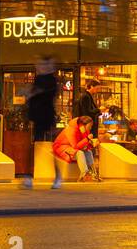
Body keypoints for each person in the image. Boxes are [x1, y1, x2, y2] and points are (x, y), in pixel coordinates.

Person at [21, 57, 59, 189]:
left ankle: (56, 176)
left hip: (46, 116)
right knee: (33, 148)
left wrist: (32, 93)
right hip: (38, 116)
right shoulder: (40, 79)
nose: (39, 67)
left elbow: (47, 97)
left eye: (43, 64)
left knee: (49, 148)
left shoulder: (50, 80)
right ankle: (29, 176)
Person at [52, 115, 97, 185]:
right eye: (90, 125)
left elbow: (83, 145)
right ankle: (84, 175)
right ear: (83, 125)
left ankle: (93, 173)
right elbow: (75, 146)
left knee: (88, 152)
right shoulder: (71, 130)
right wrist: (87, 139)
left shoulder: (85, 131)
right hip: (61, 147)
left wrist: (91, 144)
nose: (91, 128)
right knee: (79, 153)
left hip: (71, 147)